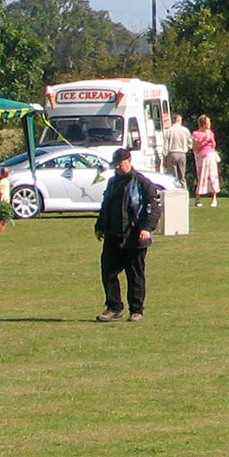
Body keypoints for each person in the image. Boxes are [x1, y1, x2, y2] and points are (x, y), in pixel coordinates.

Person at [91, 148, 161, 321]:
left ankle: (136, 310)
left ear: (129, 161)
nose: (117, 167)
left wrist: (147, 228)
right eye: (115, 164)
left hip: (135, 236)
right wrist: (100, 226)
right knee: (108, 272)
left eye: (120, 163)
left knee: (135, 274)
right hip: (113, 235)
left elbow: (153, 208)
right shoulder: (113, 183)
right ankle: (114, 307)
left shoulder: (142, 183)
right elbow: (105, 205)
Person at [191, 115, 221, 207]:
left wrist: (212, 140)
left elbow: (213, 145)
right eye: (208, 123)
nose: (210, 125)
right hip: (202, 156)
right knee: (202, 176)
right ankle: (198, 198)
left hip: (211, 154)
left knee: (213, 176)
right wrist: (203, 141)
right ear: (203, 124)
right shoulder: (196, 133)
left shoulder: (210, 132)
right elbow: (195, 148)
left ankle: (214, 198)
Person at [161, 113, 194, 192]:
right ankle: (184, 191)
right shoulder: (185, 130)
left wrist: (164, 157)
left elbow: (166, 145)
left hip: (172, 153)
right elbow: (190, 143)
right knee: (182, 175)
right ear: (179, 120)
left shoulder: (169, 130)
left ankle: (175, 192)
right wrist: (187, 149)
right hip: (182, 153)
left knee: (173, 176)